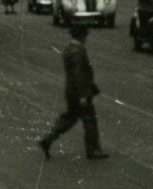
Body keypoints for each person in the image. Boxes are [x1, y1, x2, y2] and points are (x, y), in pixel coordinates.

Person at [38, 22, 109, 161]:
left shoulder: (69, 49)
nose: (86, 38)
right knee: (90, 120)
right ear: (82, 36)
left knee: (69, 118)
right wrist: (83, 94)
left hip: (71, 91)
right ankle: (93, 150)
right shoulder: (78, 51)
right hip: (80, 93)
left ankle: (48, 139)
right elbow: (79, 74)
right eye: (85, 35)